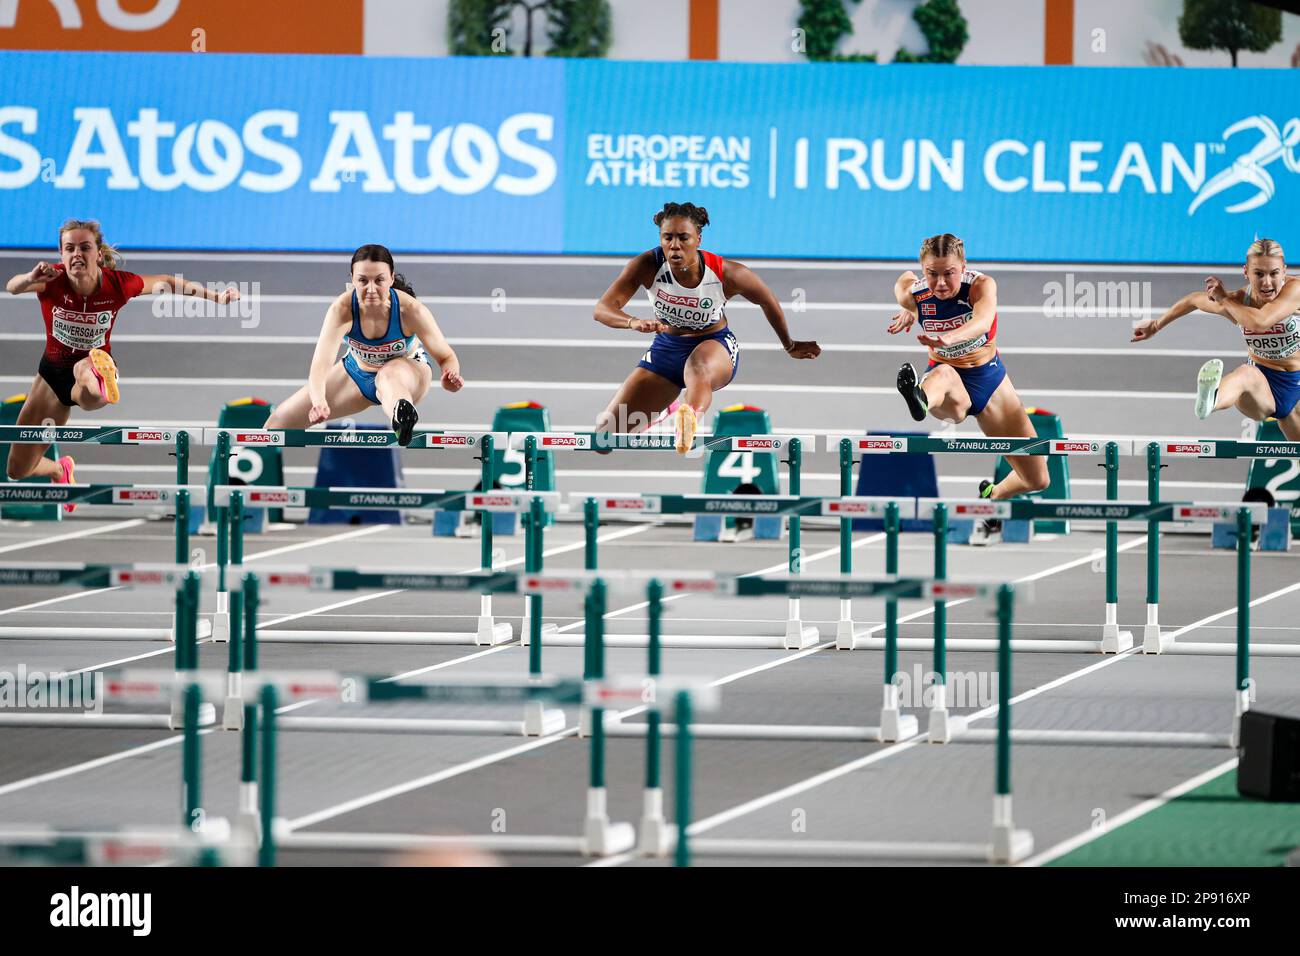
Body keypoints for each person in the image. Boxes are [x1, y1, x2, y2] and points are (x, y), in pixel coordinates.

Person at [4, 218, 240, 510]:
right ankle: (58, 469)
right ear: (62, 255)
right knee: (17, 470)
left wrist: (216, 297)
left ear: (98, 254)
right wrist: (29, 277)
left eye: (85, 247)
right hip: (50, 377)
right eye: (69, 248)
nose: (77, 253)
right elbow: (12, 287)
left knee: (85, 374)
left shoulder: (118, 285)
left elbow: (166, 282)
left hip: (92, 367)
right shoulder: (51, 279)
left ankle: (101, 378)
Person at [592, 202, 819, 454]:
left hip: (713, 347)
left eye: (683, 238)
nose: (675, 245)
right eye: (668, 238)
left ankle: (688, 420)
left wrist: (788, 344)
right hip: (666, 349)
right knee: (604, 439)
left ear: (698, 239)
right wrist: (632, 322)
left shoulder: (726, 273)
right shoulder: (646, 265)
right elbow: (602, 309)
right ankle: (667, 409)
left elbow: (767, 300)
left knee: (697, 365)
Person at [889, 233, 1048, 541]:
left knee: (1037, 478)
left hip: (990, 381)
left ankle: (994, 495)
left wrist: (948, 337)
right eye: (931, 274)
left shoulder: (981, 286)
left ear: (963, 266)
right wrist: (912, 310)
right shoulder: (910, 292)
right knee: (945, 380)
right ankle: (920, 399)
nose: (940, 283)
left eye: (949, 273)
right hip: (948, 382)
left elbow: (984, 320)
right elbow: (905, 283)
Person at [265, 244, 463, 446]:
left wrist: (450, 376)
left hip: (407, 374)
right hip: (355, 373)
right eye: (363, 281)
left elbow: (446, 357)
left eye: (379, 280)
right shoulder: (342, 310)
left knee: (388, 375)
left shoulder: (411, 310)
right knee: (274, 429)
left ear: (391, 278)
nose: (371, 289)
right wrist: (318, 401)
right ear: (352, 279)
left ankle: (402, 416)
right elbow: (321, 364)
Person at [1133, 238, 1300, 440]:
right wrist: (1157, 325)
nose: (1266, 282)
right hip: (1262, 384)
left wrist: (1225, 299)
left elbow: (1260, 322)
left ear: (1284, 270)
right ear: (1246, 272)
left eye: (1274, 273)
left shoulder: (1294, 290)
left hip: (1296, 382)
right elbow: (1194, 300)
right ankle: (1211, 399)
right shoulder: (1237, 302)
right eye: (1259, 274)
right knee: (1246, 373)